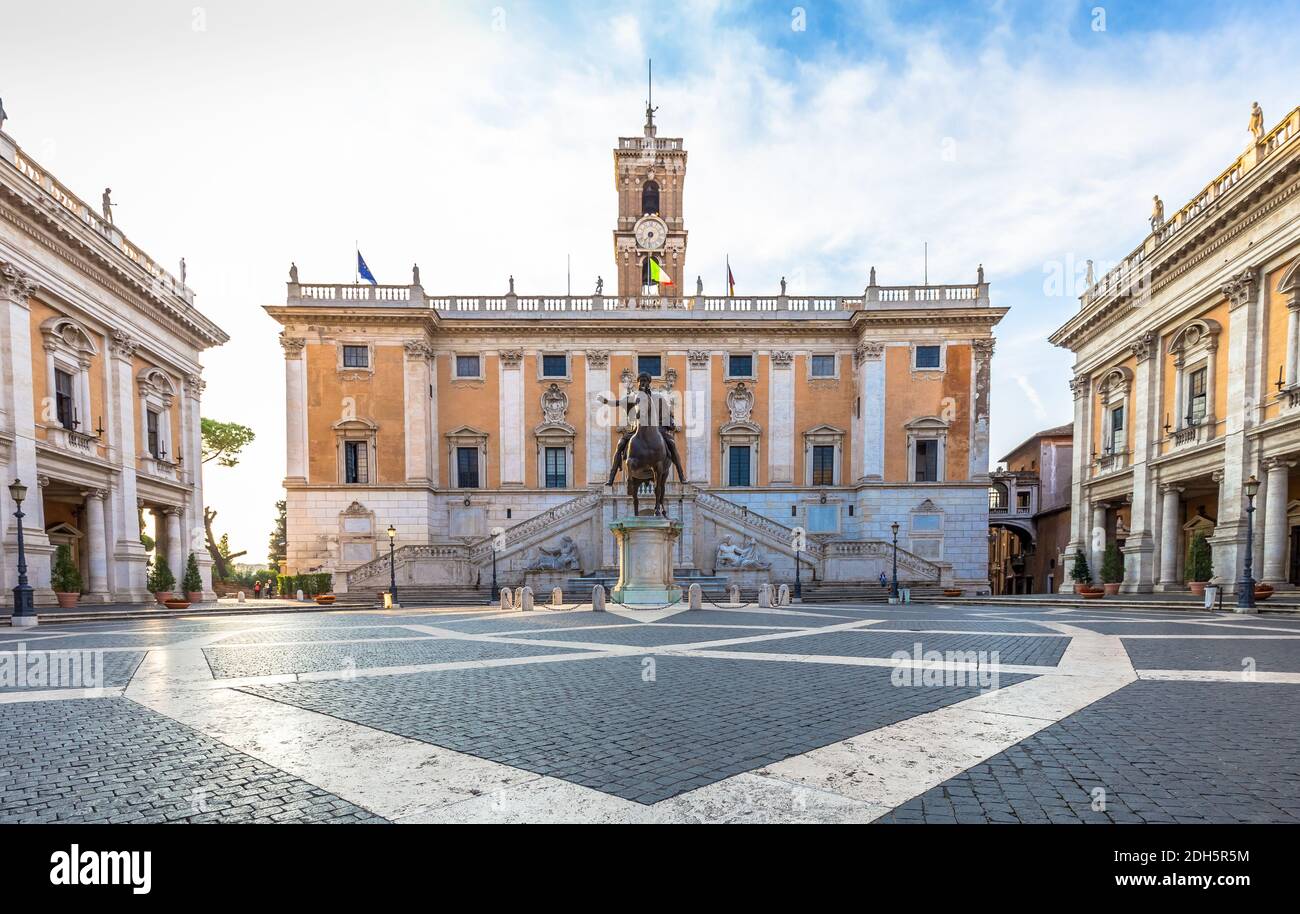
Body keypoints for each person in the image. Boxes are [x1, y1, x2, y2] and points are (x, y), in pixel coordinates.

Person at [599, 372, 686, 486]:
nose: (643, 383)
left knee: (672, 444)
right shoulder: (633, 397)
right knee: (620, 445)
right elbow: (617, 402)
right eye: (641, 381)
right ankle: (611, 479)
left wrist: (671, 423)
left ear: (649, 383)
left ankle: (681, 476)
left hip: (658, 429)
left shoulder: (658, 398)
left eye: (645, 381)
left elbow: (668, 414)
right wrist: (605, 401)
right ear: (638, 383)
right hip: (637, 429)